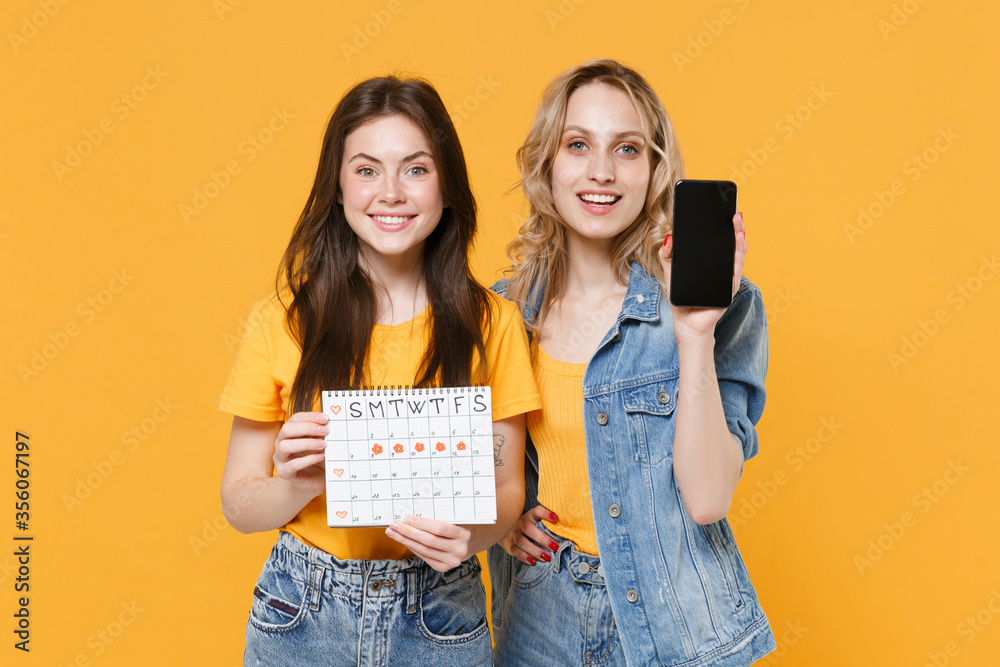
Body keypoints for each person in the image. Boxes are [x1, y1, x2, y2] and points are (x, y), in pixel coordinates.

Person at [218, 76, 540, 666]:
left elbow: (507, 489)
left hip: (441, 611)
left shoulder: (493, 322)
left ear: (447, 188)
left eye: (415, 169)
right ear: (337, 189)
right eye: (367, 170)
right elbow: (239, 505)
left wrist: (468, 538)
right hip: (301, 613)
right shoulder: (282, 321)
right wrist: (299, 482)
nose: (390, 192)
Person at [488, 59, 777, 666]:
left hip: (676, 627)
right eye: (577, 145)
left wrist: (694, 335)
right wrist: (502, 519)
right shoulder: (504, 313)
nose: (601, 172)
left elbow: (707, 500)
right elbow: (488, 470)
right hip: (542, 620)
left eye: (626, 149)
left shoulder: (722, 307)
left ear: (654, 170)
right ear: (548, 164)